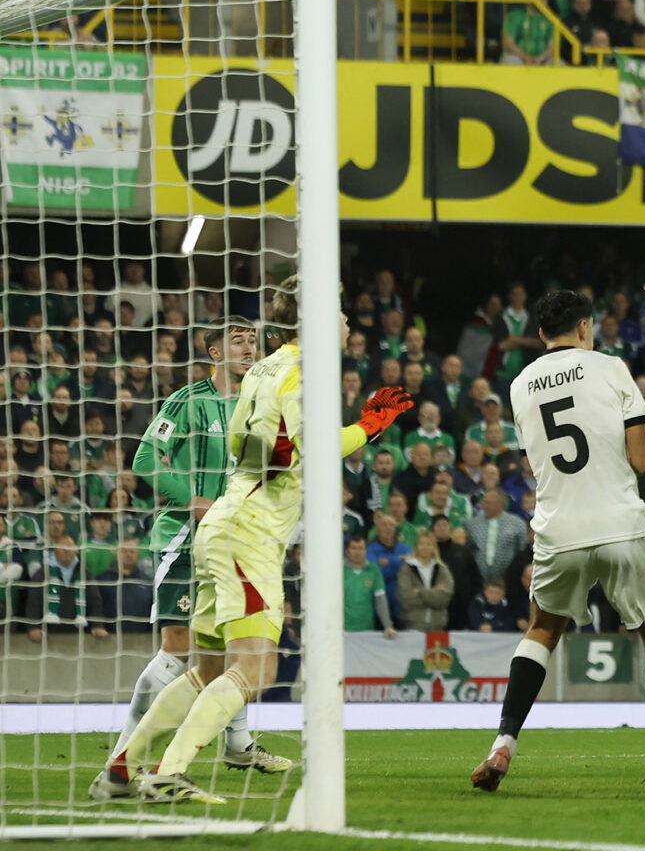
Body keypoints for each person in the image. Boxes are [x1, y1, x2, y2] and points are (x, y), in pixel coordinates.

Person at [100, 278, 415, 804]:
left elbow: (244, 444)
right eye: (339, 315)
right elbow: (315, 448)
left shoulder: (264, 367)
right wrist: (370, 426)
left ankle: (120, 769)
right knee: (258, 667)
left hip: (225, 520)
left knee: (207, 668)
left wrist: (279, 455)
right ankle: (167, 772)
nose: (346, 324)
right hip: (250, 531)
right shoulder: (299, 371)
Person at [470, 290, 645, 794]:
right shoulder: (611, 368)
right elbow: (641, 462)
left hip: (558, 527)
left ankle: (502, 745)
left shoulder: (520, 384)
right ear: (584, 328)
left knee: (542, 631)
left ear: (539, 335)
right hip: (620, 523)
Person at [90, 316, 292, 800]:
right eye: (237, 342)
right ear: (215, 353)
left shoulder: (256, 405)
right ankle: (121, 760)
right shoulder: (188, 401)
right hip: (185, 538)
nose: (249, 348)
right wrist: (193, 502)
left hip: (235, 543)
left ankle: (238, 743)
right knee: (178, 650)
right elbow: (144, 461)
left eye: (252, 341)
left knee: (228, 645)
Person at [398, 532, 454, 631]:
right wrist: (433, 593)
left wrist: (421, 592)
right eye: (421, 543)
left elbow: (443, 600)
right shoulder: (406, 569)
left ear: (434, 547)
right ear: (416, 546)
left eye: (428, 544)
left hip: (437, 627)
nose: (425, 547)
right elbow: (406, 599)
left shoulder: (442, 569)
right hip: (412, 626)